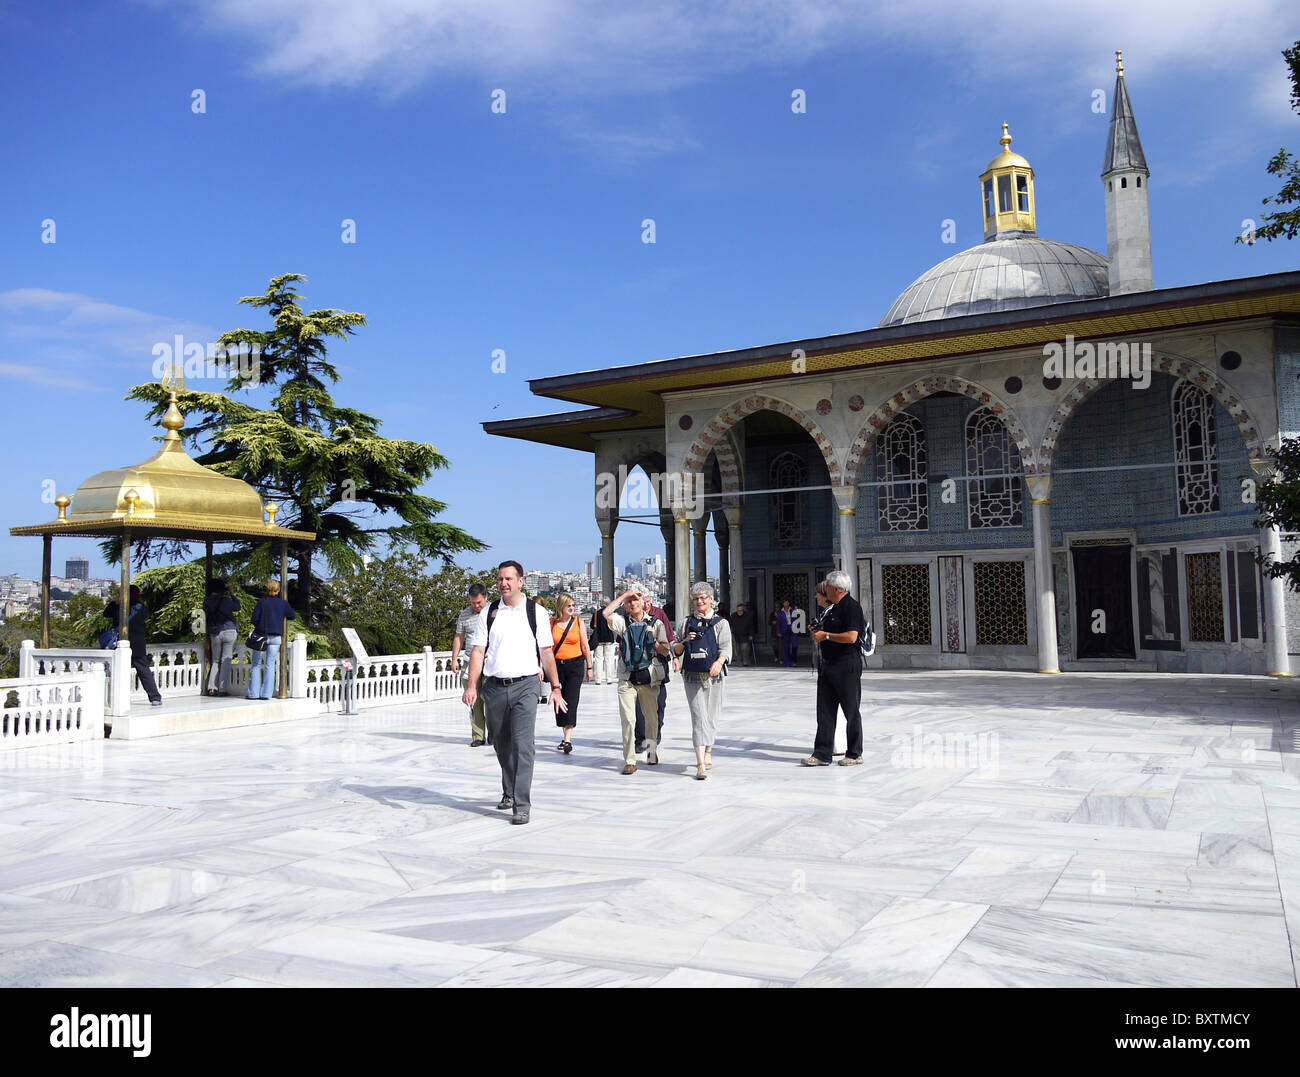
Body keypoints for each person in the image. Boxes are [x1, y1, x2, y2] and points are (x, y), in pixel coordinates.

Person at [462, 561, 567, 825]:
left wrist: (555, 686)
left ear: (521, 581)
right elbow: (477, 651)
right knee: (500, 743)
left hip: (526, 686)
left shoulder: (536, 613)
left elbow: (546, 652)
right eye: (500, 579)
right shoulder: (489, 612)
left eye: (509, 578)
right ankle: (508, 789)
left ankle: (522, 804)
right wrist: (472, 685)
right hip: (495, 687)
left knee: (523, 745)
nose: (503, 583)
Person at [803, 569, 867, 767]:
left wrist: (827, 636)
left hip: (846, 665)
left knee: (851, 710)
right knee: (825, 711)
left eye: (828, 587)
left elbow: (851, 637)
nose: (826, 590)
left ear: (837, 589)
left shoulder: (851, 607)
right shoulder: (833, 608)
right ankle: (822, 753)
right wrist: (819, 632)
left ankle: (855, 753)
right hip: (828, 665)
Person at [602, 587, 669, 773]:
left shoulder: (656, 623)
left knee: (651, 718)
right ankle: (630, 760)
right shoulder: (623, 623)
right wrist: (624, 596)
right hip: (627, 677)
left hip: (649, 676)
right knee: (628, 720)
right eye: (629, 602)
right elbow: (606, 612)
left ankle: (651, 751)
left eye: (636, 600)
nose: (633, 603)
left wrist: (652, 639)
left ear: (644, 602)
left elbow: (665, 650)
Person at [671, 581, 732, 780]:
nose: (699, 602)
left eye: (703, 598)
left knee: (712, 717)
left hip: (715, 676)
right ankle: (700, 764)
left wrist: (719, 662)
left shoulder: (721, 623)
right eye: (696, 599)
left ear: (711, 599)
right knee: (698, 718)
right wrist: (684, 641)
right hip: (692, 676)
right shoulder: (685, 623)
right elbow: (676, 650)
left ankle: (708, 751)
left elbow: (726, 648)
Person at [104, 585, 162, 707]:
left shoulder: (119, 607)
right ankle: (154, 697)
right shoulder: (142, 608)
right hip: (137, 644)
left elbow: (106, 614)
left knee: (117, 671)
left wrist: (114, 602)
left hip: (121, 643)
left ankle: (116, 698)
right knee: (144, 671)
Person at [550, 593, 592, 753]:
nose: (572, 608)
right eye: (569, 605)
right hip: (557, 666)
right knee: (559, 702)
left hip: (575, 665)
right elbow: (545, 648)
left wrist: (589, 667)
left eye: (574, 605)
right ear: (562, 606)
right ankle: (564, 735)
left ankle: (568, 739)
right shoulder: (552, 623)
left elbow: (585, 645)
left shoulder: (578, 622)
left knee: (572, 701)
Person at [634, 596, 675, 751]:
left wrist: (675, 658)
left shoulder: (659, 616)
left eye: (647, 601)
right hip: (638, 670)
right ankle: (641, 739)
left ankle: (656, 731)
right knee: (639, 707)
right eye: (642, 601)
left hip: (657, 669)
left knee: (660, 704)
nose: (645, 604)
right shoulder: (629, 621)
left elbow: (668, 643)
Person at [452, 582, 490, 746]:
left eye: (479, 603)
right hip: (469, 662)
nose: (476, 606)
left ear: (486, 598)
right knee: (473, 701)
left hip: (490, 663)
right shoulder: (464, 615)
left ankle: (494, 733)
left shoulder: (494, 613)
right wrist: (454, 658)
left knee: (491, 701)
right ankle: (478, 736)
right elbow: (459, 637)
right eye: (473, 603)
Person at [248, 578, 297, 700]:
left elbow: (254, 619)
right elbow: (292, 616)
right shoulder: (283, 603)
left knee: (256, 665)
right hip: (275, 637)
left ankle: (254, 693)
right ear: (278, 590)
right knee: (270, 665)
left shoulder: (262, 602)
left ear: (268, 589)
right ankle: (266, 694)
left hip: (261, 636)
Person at [203, 578, 240, 696]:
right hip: (229, 629)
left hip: (215, 631)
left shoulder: (207, 601)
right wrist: (232, 594)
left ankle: (212, 688)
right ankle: (222, 689)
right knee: (226, 660)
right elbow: (237, 607)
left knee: (215, 660)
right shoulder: (226, 600)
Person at [591, 599, 617, 684]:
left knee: (598, 660)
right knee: (608, 660)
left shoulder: (596, 614)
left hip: (598, 639)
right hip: (609, 639)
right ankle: (609, 679)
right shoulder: (610, 614)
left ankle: (598, 679)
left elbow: (592, 626)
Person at [810, 581, 830, 676]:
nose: (816, 597)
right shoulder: (825, 612)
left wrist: (825, 635)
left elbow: (850, 637)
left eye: (818, 594)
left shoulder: (836, 612)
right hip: (825, 662)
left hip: (835, 663)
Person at [778, 599, 795, 667]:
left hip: (793, 628)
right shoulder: (781, 612)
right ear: (783, 604)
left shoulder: (792, 610)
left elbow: (797, 619)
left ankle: (793, 660)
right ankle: (787, 662)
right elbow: (779, 623)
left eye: (787, 602)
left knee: (794, 645)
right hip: (785, 630)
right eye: (785, 602)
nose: (786, 604)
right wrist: (779, 632)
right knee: (786, 647)